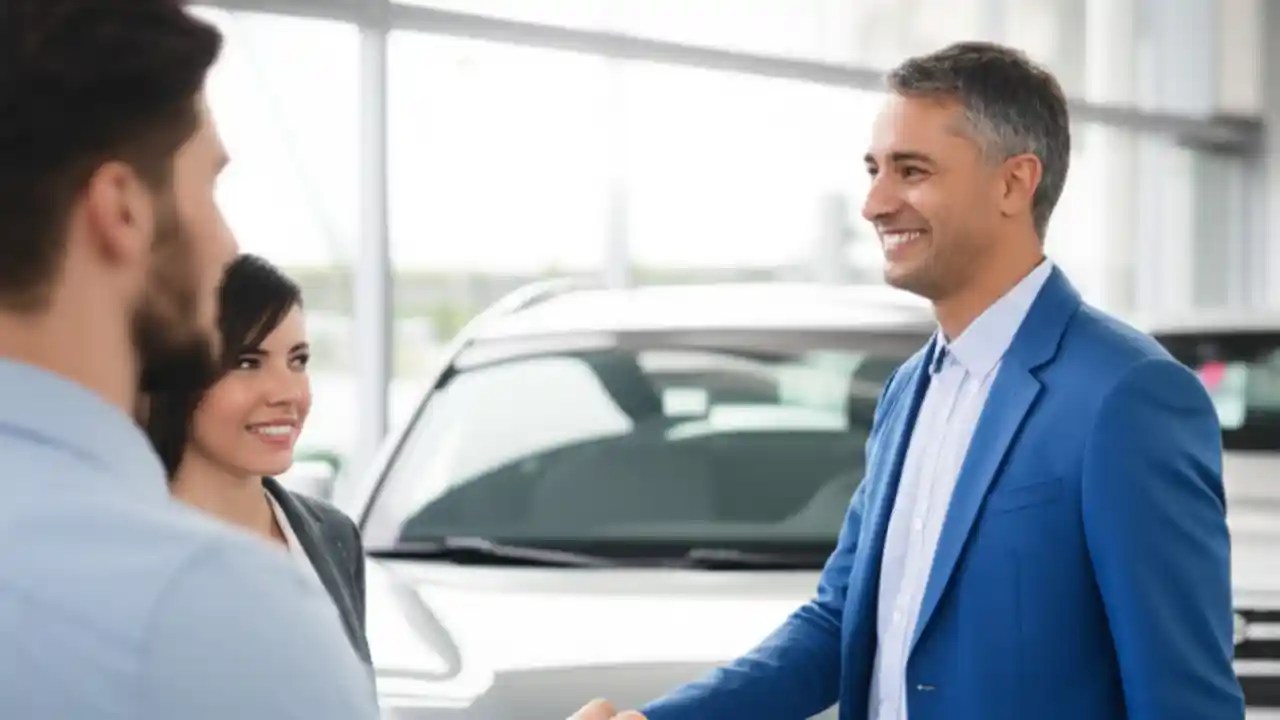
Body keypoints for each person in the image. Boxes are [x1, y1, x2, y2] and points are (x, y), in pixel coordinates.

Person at [573, 41, 1244, 720]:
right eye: (874, 170)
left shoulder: (1128, 397)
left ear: (1015, 182)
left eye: (911, 171)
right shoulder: (907, 389)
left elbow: (1184, 698)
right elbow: (842, 626)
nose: (874, 203)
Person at [0, 2, 379, 718]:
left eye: (297, 359)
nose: (228, 244)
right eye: (209, 184)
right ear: (124, 209)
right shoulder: (212, 613)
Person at [142, 253, 371, 664]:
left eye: (298, 361)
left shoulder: (335, 537)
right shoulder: (127, 549)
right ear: (180, 375)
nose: (287, 394)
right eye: (248, 363)